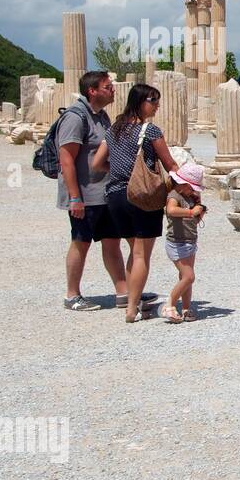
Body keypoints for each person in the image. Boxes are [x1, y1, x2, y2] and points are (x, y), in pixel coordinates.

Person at [92, 83, 180, 322]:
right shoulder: (150, 131)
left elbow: (97, 164)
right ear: (139, 101)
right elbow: (170, 164)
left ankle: (133, 298)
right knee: (141, 254)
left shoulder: (114, 130)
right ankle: (132, 309)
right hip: (142, 197)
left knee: (134, 250)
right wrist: (187, 187)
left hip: (116, 196)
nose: (157, 106)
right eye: (153, 101)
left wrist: (120, 171)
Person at [57, 70, 139, 311]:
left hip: (104, 192)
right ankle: (72, 295)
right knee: (80, 242)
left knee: (112, 242)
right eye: (107, 86)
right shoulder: (75, 117)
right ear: (92, 91)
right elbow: (67, 159)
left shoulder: (101, 115)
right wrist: (74, 197)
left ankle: (123, 291)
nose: (113, 89)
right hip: (84, 194)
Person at [163, 162, 207, 323]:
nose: (194, 191)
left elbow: (195, 221)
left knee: (185, 276)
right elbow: (171, 210)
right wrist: (190, 211)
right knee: (189, 276)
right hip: (176, 243)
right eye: (192, 188)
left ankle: (186, 308)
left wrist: (199, 210)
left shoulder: (189, 197)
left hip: (189, 241)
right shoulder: (174, 196)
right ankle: (169, 305)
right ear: (183, 184)